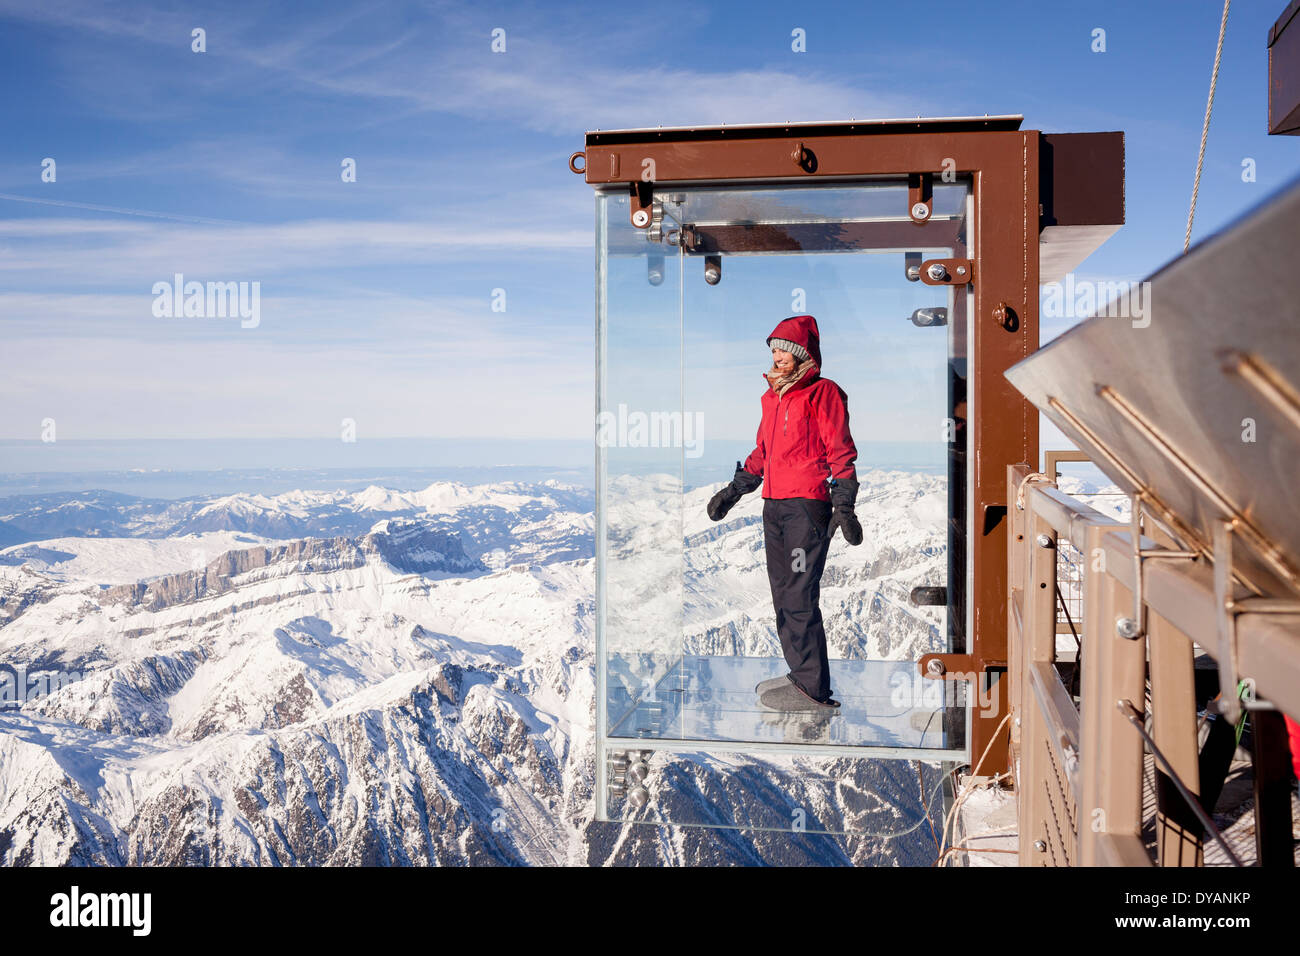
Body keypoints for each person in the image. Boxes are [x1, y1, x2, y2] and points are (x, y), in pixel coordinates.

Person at [706, 314, 862, 713]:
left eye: (784, 350)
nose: (776, 356)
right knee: (782, 595)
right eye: (773, 349)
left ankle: (813, 689)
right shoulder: (773, 398)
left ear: (802, 355)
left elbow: (840, 447)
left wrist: (843, 500)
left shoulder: (823, 393)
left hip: (805, 509)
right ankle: (801, 675)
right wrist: (734, 490)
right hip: (773, 507)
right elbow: (763, 454)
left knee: (799, 595)